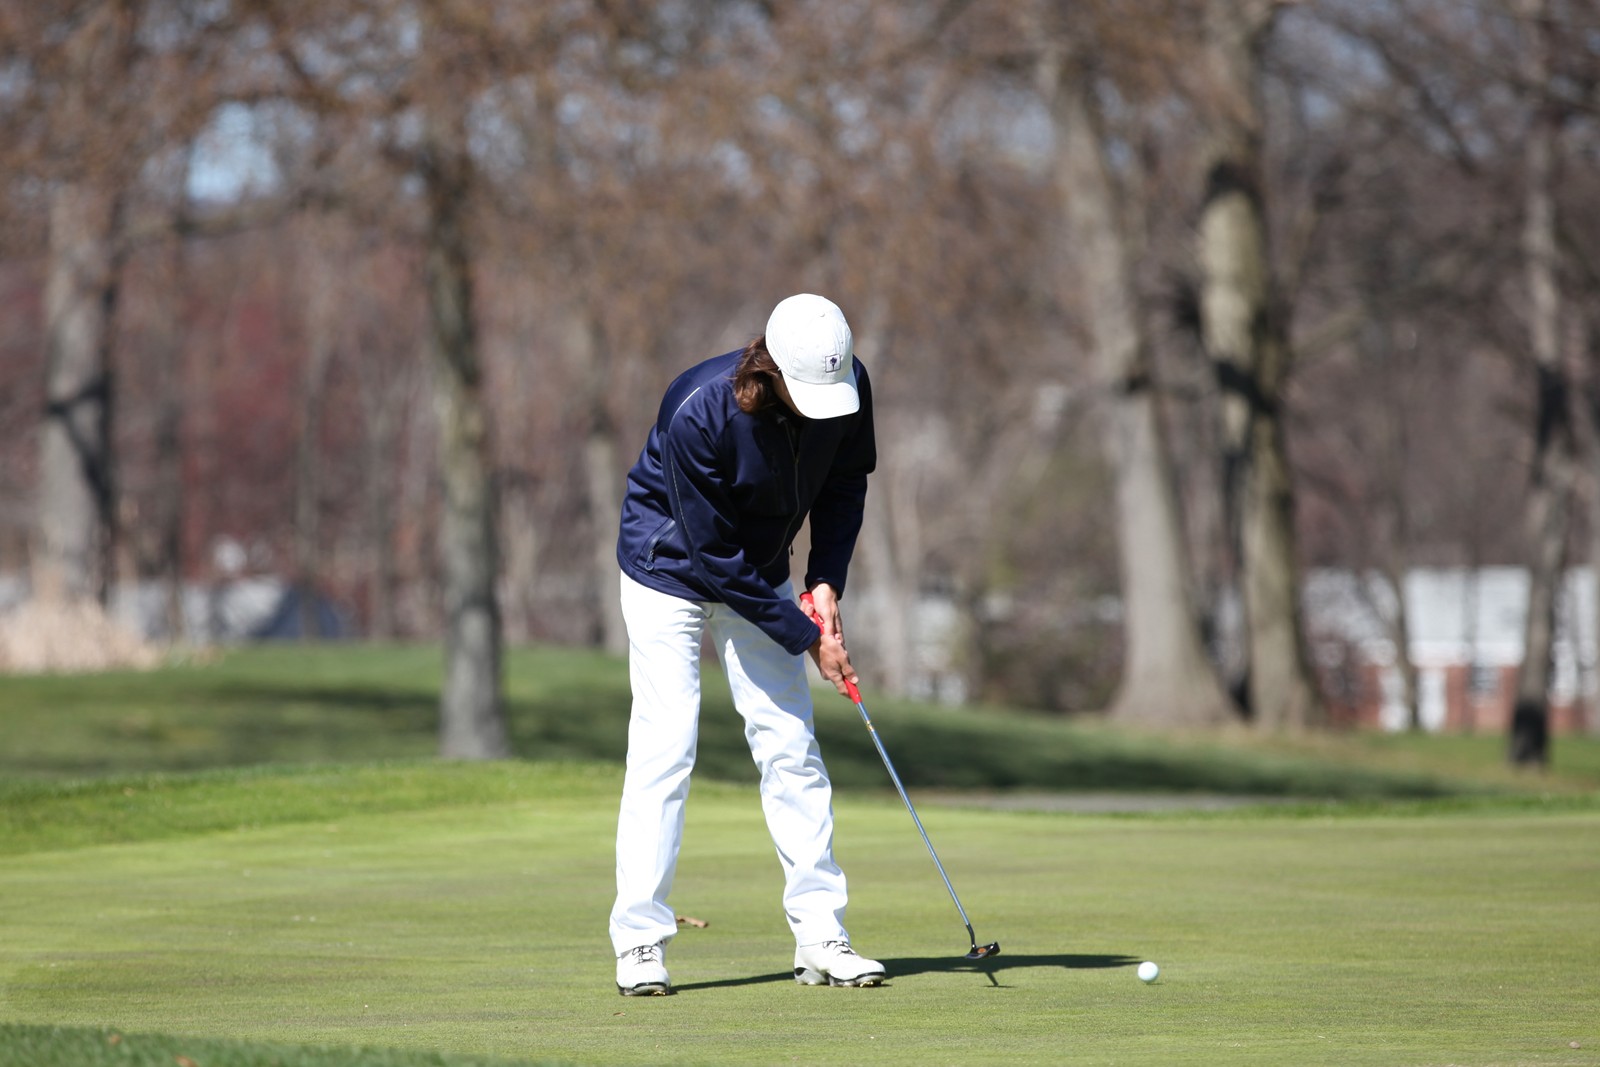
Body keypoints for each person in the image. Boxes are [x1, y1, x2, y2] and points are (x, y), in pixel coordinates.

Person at [609, 293, 882, 996]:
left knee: (791, 743)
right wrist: (806, 637)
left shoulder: (849, 388)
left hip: (758, 566)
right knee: (667, 744)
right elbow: (710, 557)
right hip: (669, 568)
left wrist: (825, 584)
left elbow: (845, 485)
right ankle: (640, 940)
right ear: (772, 370)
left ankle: (822, 935)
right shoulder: (697, 408)